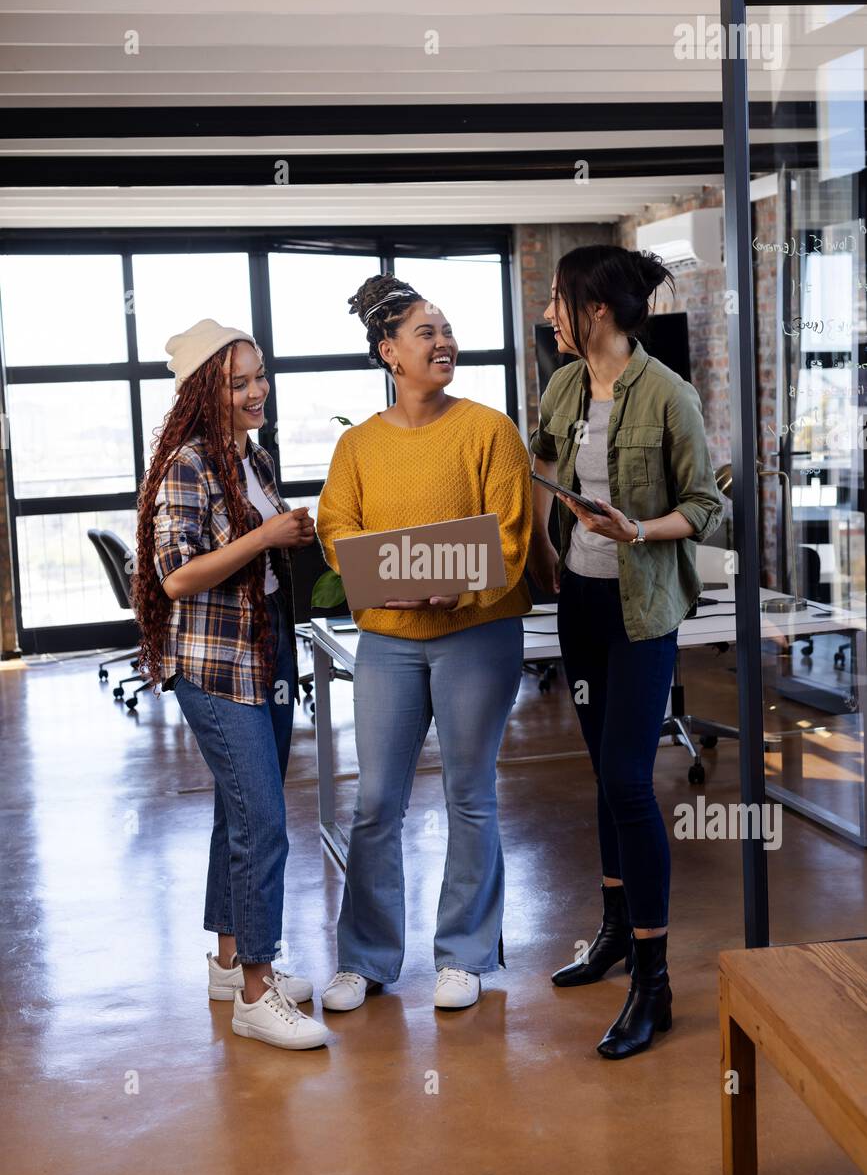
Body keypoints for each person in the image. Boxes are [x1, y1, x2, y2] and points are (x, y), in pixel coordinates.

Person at [315, 274, 532, 1012]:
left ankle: (463, 956)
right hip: (389, 642)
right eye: (424, 333)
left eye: (445, 330)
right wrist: (380, 575)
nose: (443, 343)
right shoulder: (358, 445)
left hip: (476, 635)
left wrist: (457, 587)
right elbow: (335, 527)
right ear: (389, 354)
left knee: (470, 794)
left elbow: (509, 532)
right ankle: (365, 960)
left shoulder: (489, 430)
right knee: (376, 801)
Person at [527, 246, 724, 1059]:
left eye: (557, 300)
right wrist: (545, 532)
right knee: (602, 780)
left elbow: (706, 507)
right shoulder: (566, 383)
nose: (548, 312)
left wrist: (636, 529)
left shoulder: (669, 395)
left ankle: (655, 981)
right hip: (582, 602)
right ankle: (612, 931)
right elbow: (543, 458)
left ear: (594, 310)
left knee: (627, 784)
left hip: (643, 611)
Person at [133, 318, 328, 1052]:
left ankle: (226, 962)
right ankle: (255, 990)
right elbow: (177, 575)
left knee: (236, 814)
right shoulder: (189, 463)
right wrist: (264, 537)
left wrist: (288, 535)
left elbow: (258, 556)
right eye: (236, 383)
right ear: (202, 395)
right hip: (218, 670)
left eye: (259, 377)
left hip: (265, 655)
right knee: (263, 823)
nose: (256, 392)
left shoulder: (251, 458)